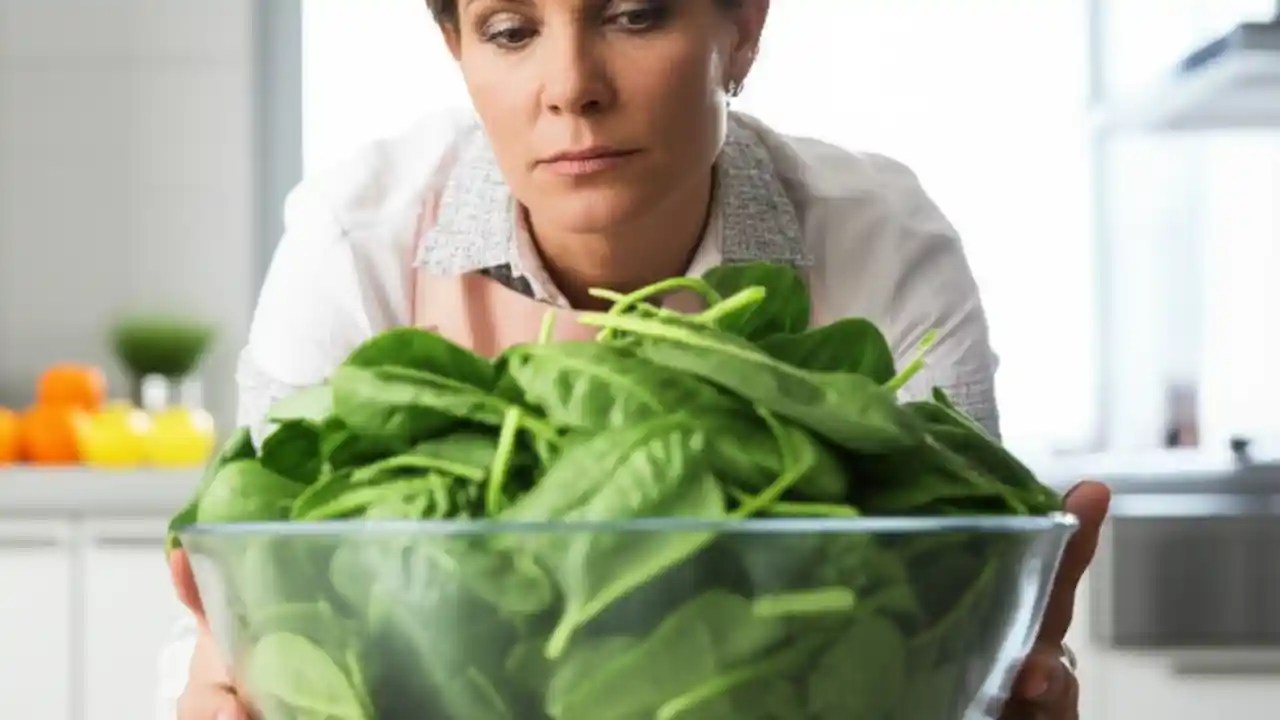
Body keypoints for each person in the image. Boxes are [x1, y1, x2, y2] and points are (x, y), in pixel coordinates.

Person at [161, 0, 1111, 718]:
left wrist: (997, 652)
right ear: (455, 49)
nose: (571, 85)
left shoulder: (882, 240)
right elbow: (251, 598)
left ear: (743, 28)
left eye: (634, 14)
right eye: (510, 30)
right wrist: (222, 680)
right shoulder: (356, 241)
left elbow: (948, 589)